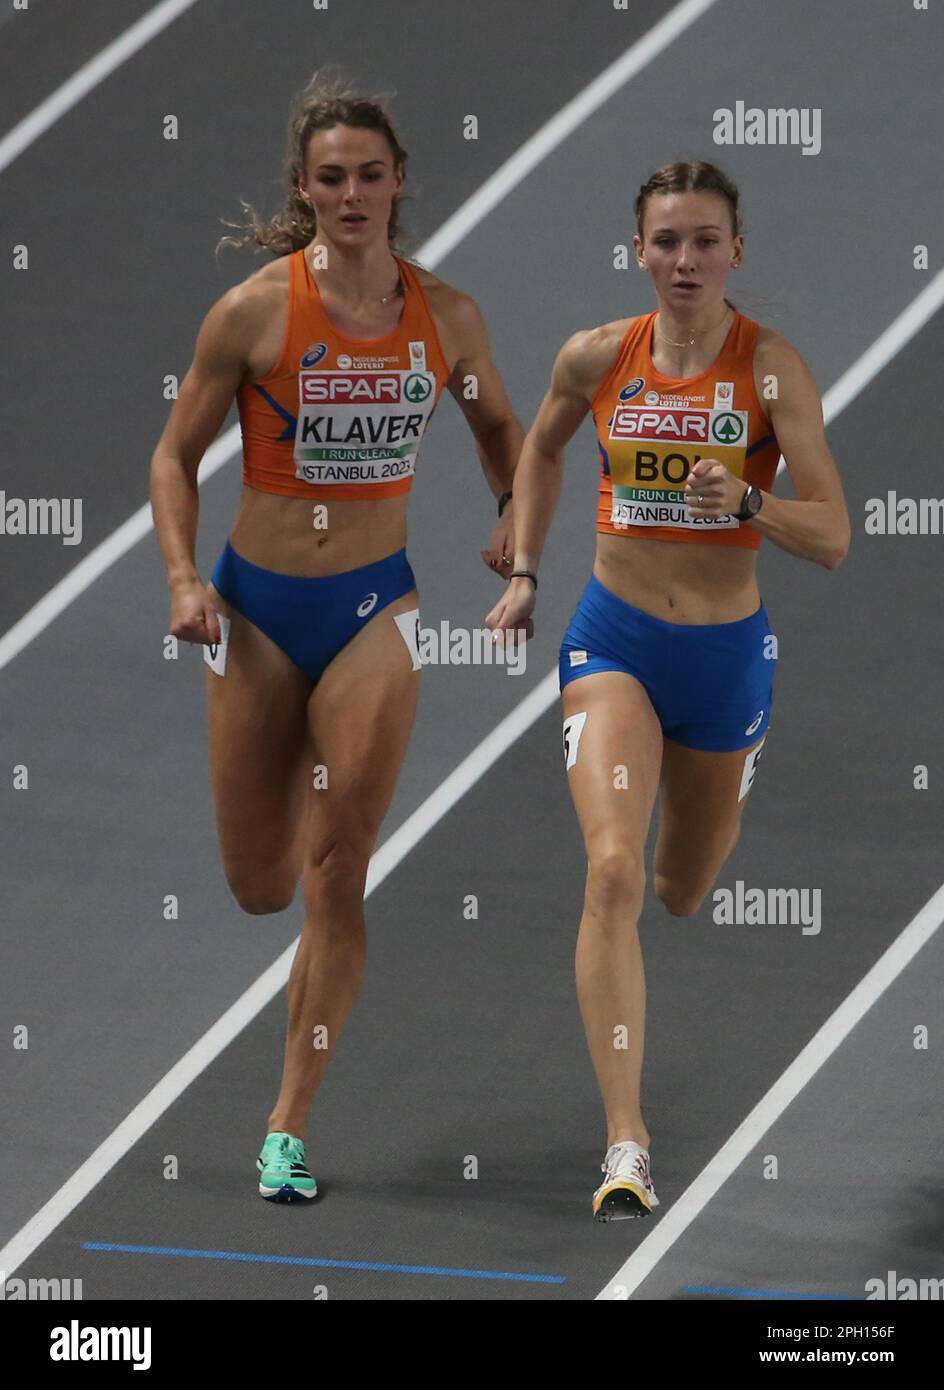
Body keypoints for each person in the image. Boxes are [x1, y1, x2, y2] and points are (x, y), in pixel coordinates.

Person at [149, 76, 523, 1202]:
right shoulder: (254, 312)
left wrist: (517, 523)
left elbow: (499, 422)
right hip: (258, 613)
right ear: (302, 190)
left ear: (399, 181)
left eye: (370, 174)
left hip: (375, 609)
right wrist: (180, 577)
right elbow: (173, 456)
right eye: (330, 176)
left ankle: (285, 1127)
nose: (352, 193)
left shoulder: (442, 315)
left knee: (338, 872)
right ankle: (303, 827)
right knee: (261, 884)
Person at [486, 161, 850, 1220]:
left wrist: (748, 496)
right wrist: (523, 569)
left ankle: (726, 776)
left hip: (725, 657)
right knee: (611, 873)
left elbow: (831, 536)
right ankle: (625, 1143)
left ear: (736, 249)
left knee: (682, 885)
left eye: (702, 240)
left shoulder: (771, 372)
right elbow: (541, 449)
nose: (682, 260)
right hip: (614, 642)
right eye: (663, 241)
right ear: (635, 251)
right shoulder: (596, 355)